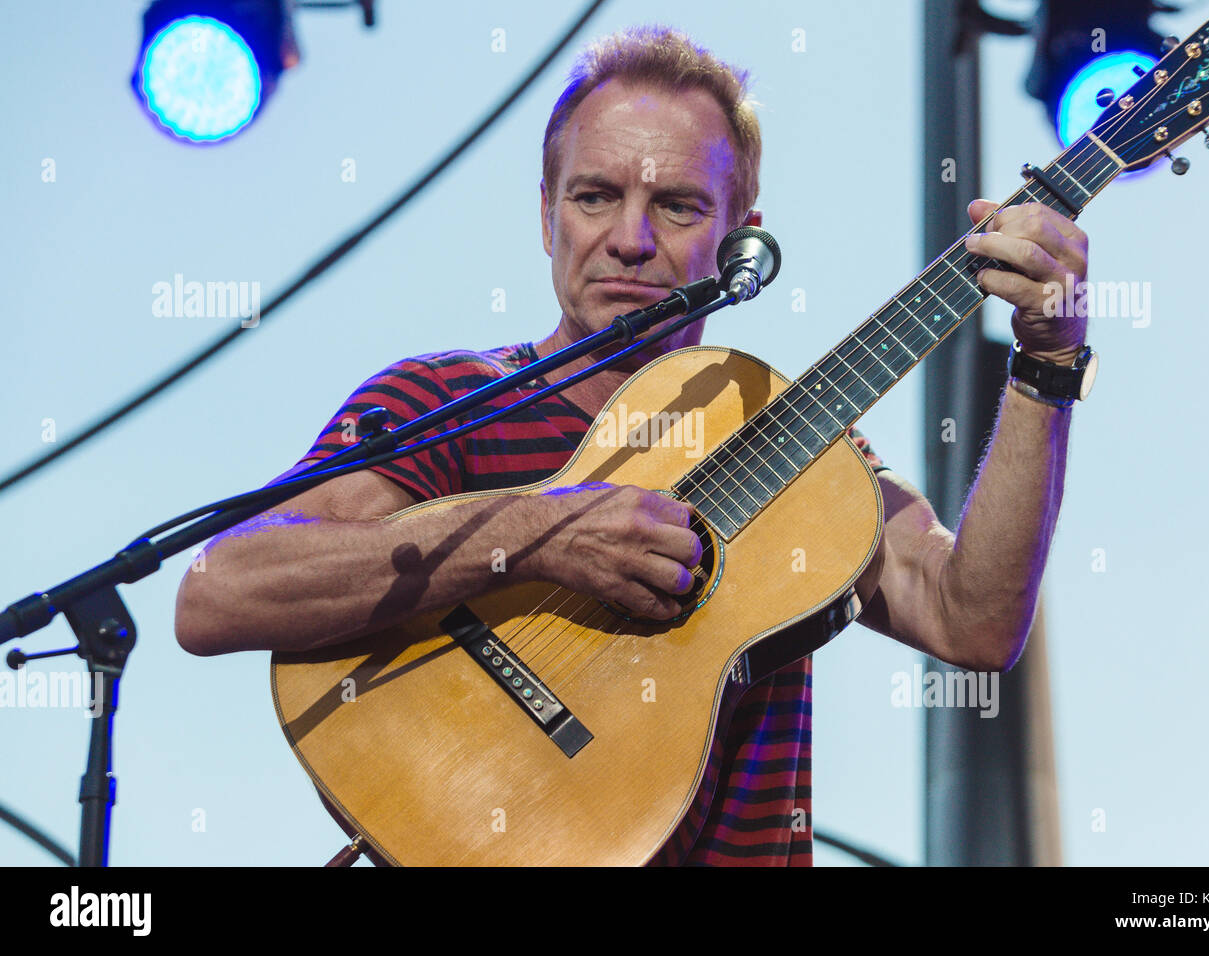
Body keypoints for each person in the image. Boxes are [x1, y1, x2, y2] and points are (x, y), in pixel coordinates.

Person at [174, 25, 1090, 866]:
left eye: (680, 205)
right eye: (595, 196)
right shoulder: (446, 399)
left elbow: (972, 620)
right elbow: (220, 596)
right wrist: (538, 534)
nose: (629, 239)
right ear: (547, 216)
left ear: (741, 236)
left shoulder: (802, 442)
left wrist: (1046, 363)